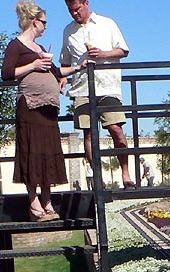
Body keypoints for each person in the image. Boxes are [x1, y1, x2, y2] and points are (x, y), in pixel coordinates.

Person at [1, 1, 88, 221]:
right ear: (33, 21)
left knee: (48, 154)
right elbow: (7, 73)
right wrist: (33, 66)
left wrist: (78, 67)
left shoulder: (40, 49)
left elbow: (59, 72)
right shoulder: (16, 45)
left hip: (49, 110)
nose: (46, 27)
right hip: (30, 107)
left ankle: (47, 201)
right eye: (44, 22)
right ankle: (34, 203)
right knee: (32, 153)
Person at [60, 0, 135, 190]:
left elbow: (123, 50)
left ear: (86, 3)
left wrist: (103, 54)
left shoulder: (107, 23)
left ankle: (126, 174)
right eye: (70, 11)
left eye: (77, 9)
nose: (74, 14)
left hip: (108, 86)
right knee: (89, 134)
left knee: (116, 129)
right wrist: (61, 77)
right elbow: (65, 62)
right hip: (82, 88)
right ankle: (98, 178)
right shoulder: (68, 31)